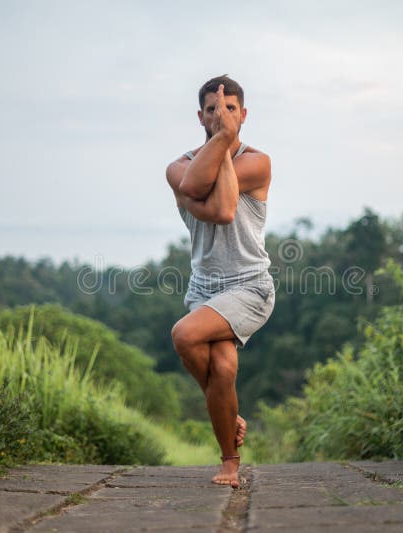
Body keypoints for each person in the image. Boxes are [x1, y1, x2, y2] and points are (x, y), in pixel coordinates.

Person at [167, 75, 276, 489]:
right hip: (205, 290)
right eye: (213, 109)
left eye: (230, 108)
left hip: (249, 287)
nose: (221, 116)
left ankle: (226, 416)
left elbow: (226, 208)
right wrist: (221, 144)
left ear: (244, 114)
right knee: (223, 367)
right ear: (200, 116)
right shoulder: (176, 167)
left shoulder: (258, 162)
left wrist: (225, 144)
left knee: (184, 336)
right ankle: (230, 462)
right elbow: (194, 183)